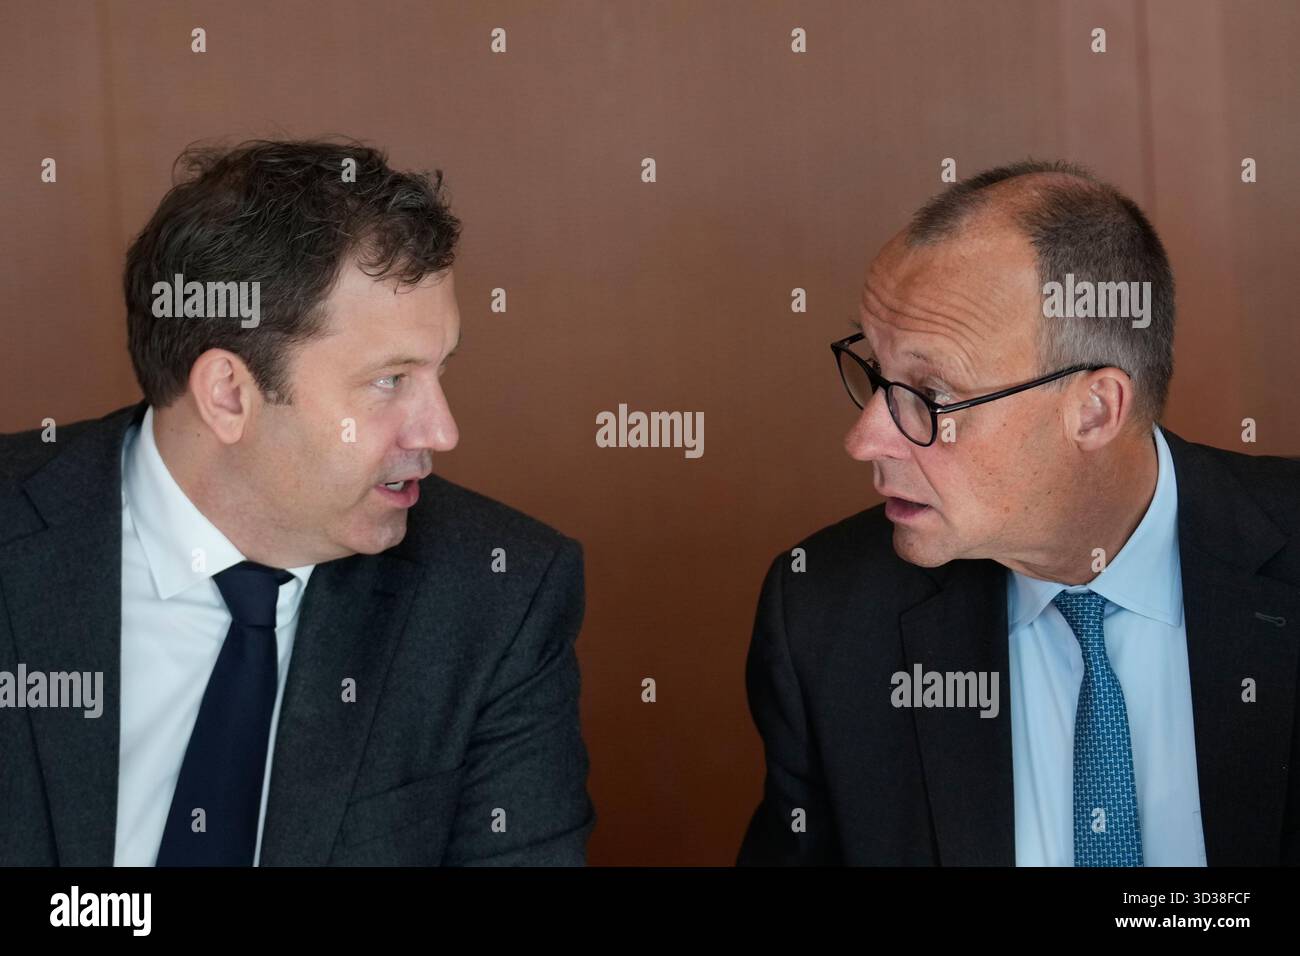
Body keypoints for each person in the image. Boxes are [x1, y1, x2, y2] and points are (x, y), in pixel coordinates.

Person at [0, 139, 595, 866]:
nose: (441, 432)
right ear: (228, 395)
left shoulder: (500, 593)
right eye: (389, 380)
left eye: (439, 371)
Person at [737, 160, 1300, 866]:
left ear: (1093, 411)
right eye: (876, 373)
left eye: (931, 395)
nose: (864, 439)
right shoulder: (825, 617)